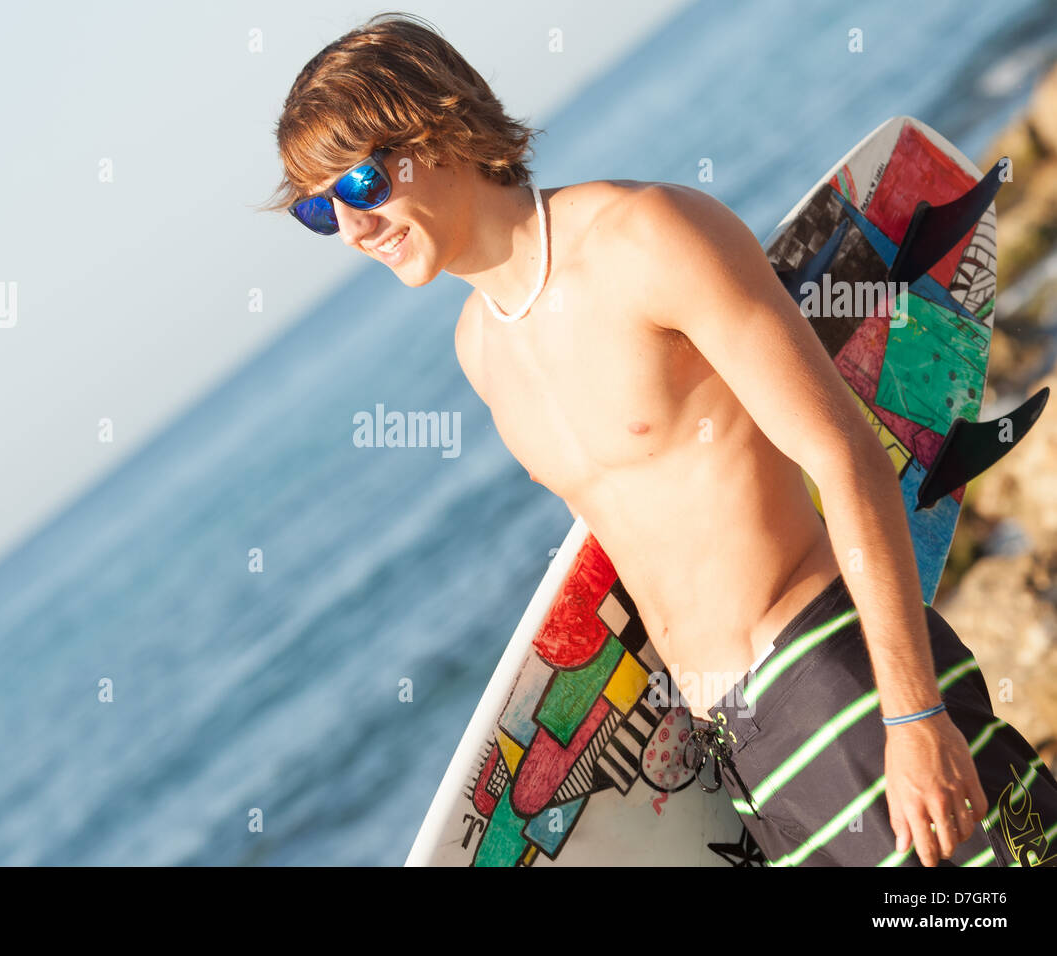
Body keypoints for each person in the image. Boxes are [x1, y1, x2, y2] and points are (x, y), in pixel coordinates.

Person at [259, 11, 1057, 867]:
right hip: (738, 757)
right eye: (318, 208)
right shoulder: (480, 350)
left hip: (840, 682)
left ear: (438, 129)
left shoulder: (647, 238)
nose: (350, 227)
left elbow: (845, 452)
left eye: (362, 186)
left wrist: (913, 714)